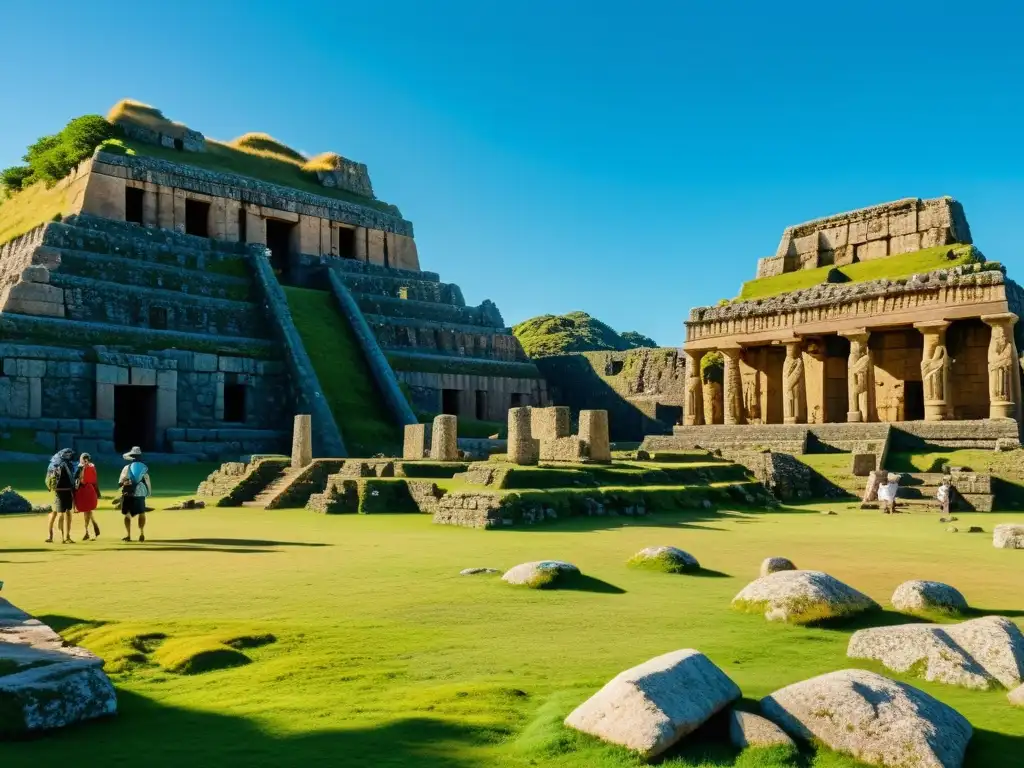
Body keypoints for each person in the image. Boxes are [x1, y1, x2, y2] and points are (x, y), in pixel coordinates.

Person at [118, 446, 152, 543]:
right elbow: (147, 481)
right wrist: (148, 493)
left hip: (128, 494)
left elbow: (120, 482)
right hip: (140, 493)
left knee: (127, 515)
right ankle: (141, 533)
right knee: (141, 513)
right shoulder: (144, 468)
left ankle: (128, 535)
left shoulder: (126, 468)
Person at [46, 448, 76, 544]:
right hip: (60, 492)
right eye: (67, 454)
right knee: (59, 513)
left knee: (63, 513)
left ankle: (65, 536)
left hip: (64, 491)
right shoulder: (59, 464)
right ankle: (60, 536)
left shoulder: (66, 464)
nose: (69, 455)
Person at [73, 452, 101, 540]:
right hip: (87, 490)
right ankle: (91, 527)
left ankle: (87, 531)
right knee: (88, 511)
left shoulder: (86, 467)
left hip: (85, 490)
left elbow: (81, 479)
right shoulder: (88, 467)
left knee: (87, 510)